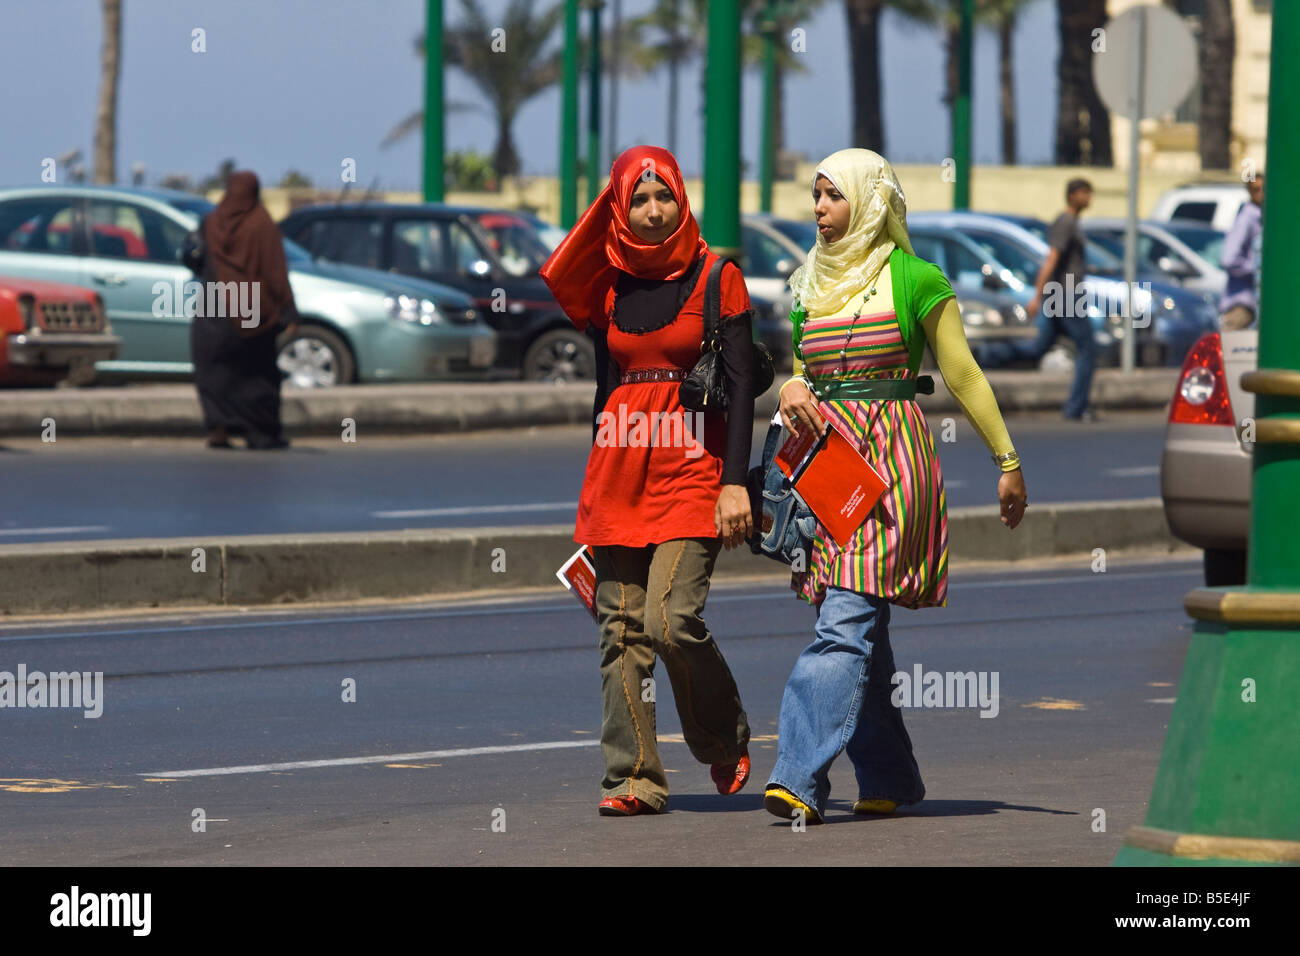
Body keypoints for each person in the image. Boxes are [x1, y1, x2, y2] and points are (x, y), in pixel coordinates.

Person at [764, 148, 1027, 824]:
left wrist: (1006, 461)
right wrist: (791, 385)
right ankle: (888, 776)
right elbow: (802, 369)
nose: (819, 209)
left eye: (833, 196)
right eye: (815, 196)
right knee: (862, 631)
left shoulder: (915, 278)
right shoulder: (809, 283)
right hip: (826, 470)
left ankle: (797, 777)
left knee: (842, 623)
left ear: (869, 201)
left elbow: (962, 373)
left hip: (889, 472)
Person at [539, 145, 756, 817]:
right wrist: (594, 486)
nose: (654, 209)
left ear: (681, 199)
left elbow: (745, 385)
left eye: (664, 195)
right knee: (622, 631)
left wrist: (735, 483)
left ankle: (722, 738)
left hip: (694, 468)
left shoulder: (719, 277)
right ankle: (631, 778)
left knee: (670, 618)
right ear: (620, 206)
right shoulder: (609, 285)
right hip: (620, 469)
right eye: (639, 198)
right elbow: (606, 392)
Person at [187, 170, 297, 449]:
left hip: (213, 308)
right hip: (250, 310)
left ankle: (219, 428)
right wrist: (289, 311)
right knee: (256, 373)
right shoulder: (261, 224)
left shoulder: (211, 222)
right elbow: (275, 271)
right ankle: (259, 433)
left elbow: (196, 259)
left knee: (213, 371)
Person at [986, 179, 1098, 422]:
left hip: (1064, 294)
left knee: (1039, 347)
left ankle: (986, 355)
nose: (1090, 197)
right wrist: (1037, 297)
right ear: (1072, 195)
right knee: (1088, 348)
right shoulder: (1066, 222)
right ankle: (1076, 408)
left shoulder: (1071, 222)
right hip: (1066, 296)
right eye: (1085, 193)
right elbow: (1051, 259)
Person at [1219, 173, 1264, 331]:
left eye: (1264, 189)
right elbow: (1228, 259)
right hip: (1242, 306)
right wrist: (1256, 269)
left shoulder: (1263, 218)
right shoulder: (1247, 218)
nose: (1261, 194)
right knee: (1232, 353)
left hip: (1257, 305)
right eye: (1255, 190)